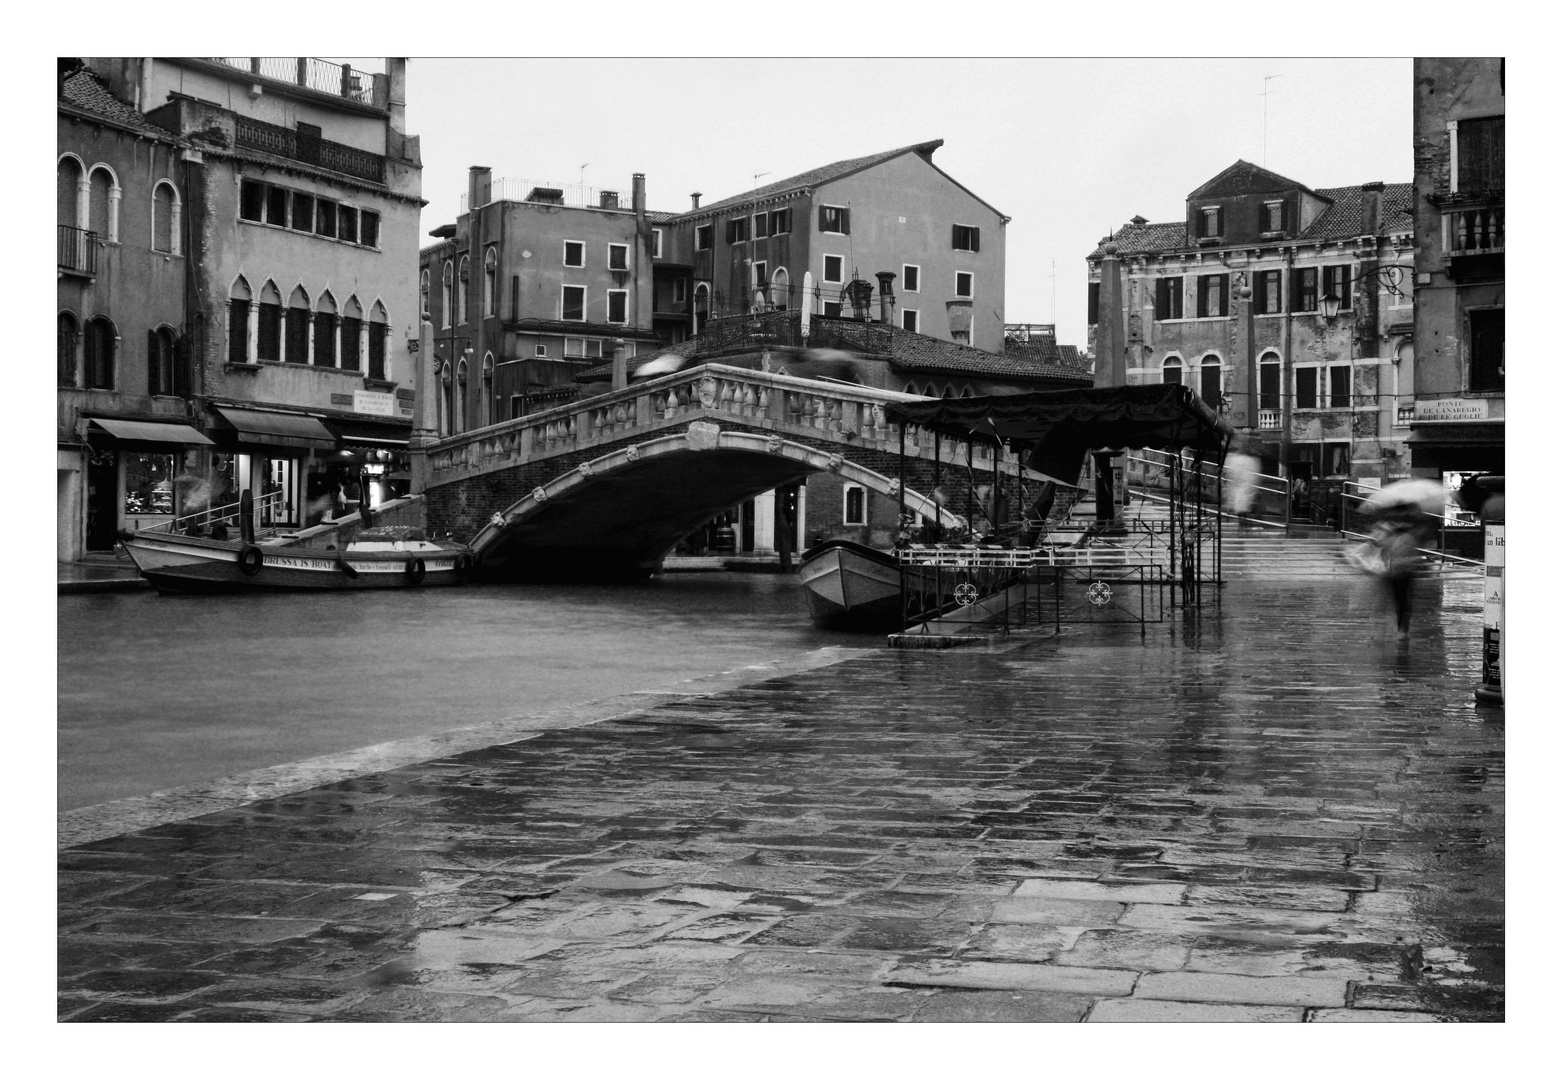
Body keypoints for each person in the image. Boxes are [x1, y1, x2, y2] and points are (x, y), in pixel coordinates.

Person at [1373, 508, 1436, 636]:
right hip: (1403, 572)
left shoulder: (1395, 538)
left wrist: (1387, 563)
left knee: (1399, 599)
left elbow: (1384, 551)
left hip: (1397, 572)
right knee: (1403, 600)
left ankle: (1400, 626)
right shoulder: (1409, 538)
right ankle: (1402, 627)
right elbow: (1414, 553)